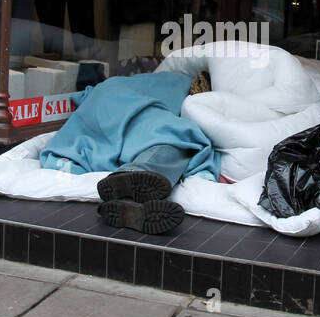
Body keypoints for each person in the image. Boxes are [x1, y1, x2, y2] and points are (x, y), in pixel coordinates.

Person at [39, 70, 217, 234]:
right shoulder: (184, 85)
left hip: (104, 100)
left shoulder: (157, 78)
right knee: (179, 141)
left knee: (170, 137)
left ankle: (127, 203)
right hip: (129, 104)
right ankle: (137, 172)